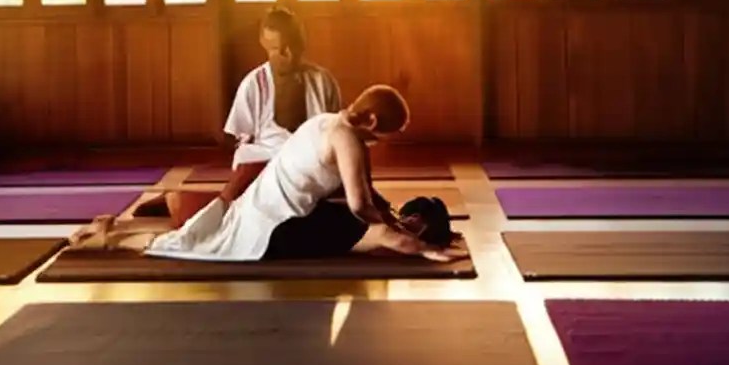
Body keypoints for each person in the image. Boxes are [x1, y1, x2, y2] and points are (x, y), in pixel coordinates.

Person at [73, 85, 467, 264]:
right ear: (375, 121)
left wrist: (393, 214)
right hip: (276, 225)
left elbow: (369, 192)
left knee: (194, 238)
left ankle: (113, 232)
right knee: (190, 244)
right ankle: (108, 239)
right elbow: (361, 205)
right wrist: (430, 250)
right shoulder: (346, 139)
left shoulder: (329, 123)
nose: (384, 143)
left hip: (262, 208)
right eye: (386, 134)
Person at [136, 6, 344, 224]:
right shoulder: (254, 84)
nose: (287, 55)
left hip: (310, 164)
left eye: (293, 47)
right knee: (239, 206)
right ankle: (178, 201)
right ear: (265, 47)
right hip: (267, 160)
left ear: (302, 43)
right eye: (278, 49)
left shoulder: (323, 81)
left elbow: (336, 135)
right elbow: (243, 140)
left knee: (336, 200)